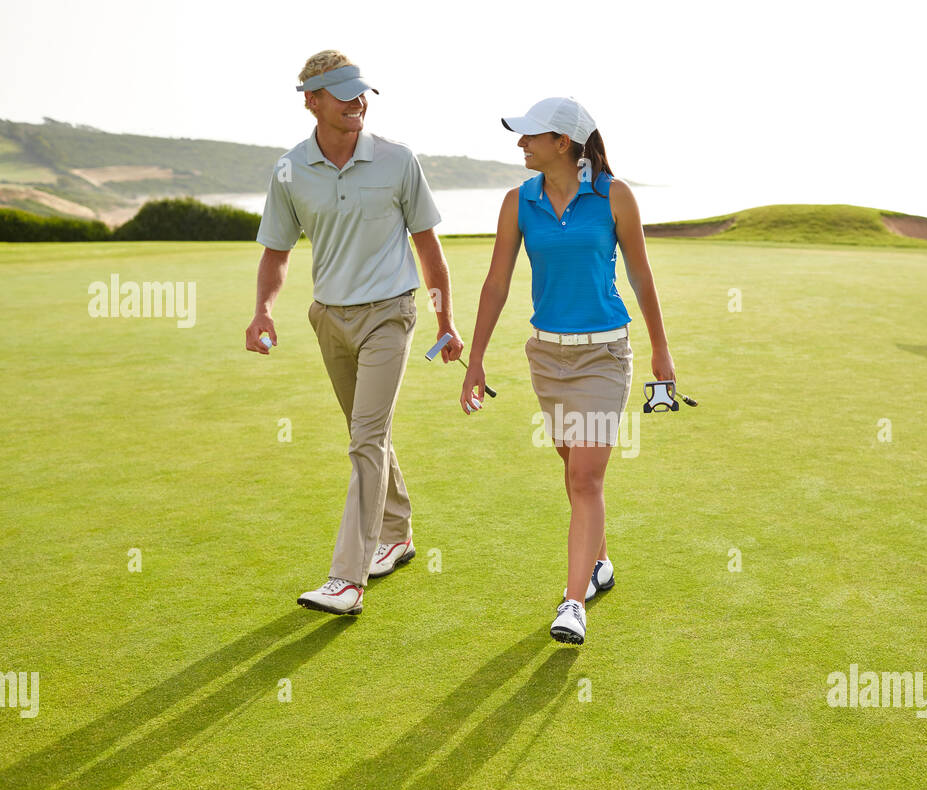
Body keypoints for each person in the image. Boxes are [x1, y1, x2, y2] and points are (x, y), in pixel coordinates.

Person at [246, 50, 462, 616]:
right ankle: (398, 532)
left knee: (364, 438)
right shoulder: (289, 170)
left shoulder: (397, 160)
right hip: (328, 318)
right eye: (341, 92)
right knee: (369, 432)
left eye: (360, 90)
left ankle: (347, 579)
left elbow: (429, 249)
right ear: (310, 100)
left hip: (390, 314)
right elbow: (276, 251)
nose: (355, 101)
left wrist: (445, 320)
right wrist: (263, 310)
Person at [460, 97, 675, 644]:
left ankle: (573, 602)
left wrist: (661, 355)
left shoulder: (614, 196)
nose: (520, 144)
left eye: (531, 136)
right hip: (547, 358)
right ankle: (599, 564)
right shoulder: (519, 201)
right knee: (572, 468)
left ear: (564, 143)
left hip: (605, 356)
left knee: (585, 477)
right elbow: (496, 284)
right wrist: (476, 359)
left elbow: (642, 279)